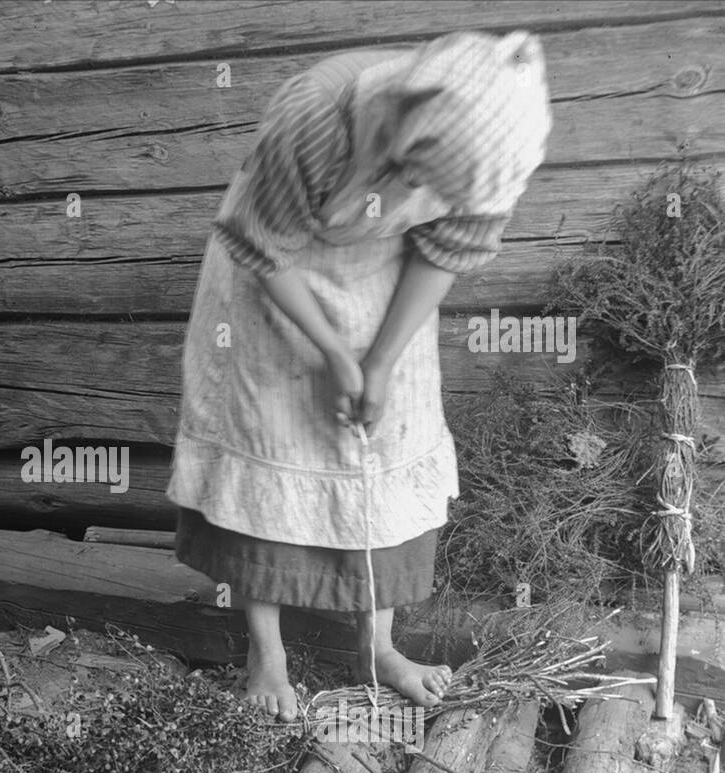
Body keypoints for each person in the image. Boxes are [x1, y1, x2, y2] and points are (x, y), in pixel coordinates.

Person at [167, 31, 552, 721]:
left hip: (383, 277)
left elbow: (443, 251)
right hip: (275, 272)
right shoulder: (315, 115)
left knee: (386, 449)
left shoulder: (500, 137)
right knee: (273, 453)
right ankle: (268, 655)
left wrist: (376, 360)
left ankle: (379, 645)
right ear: (405, 134)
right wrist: (331, 356)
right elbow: (260, 243)